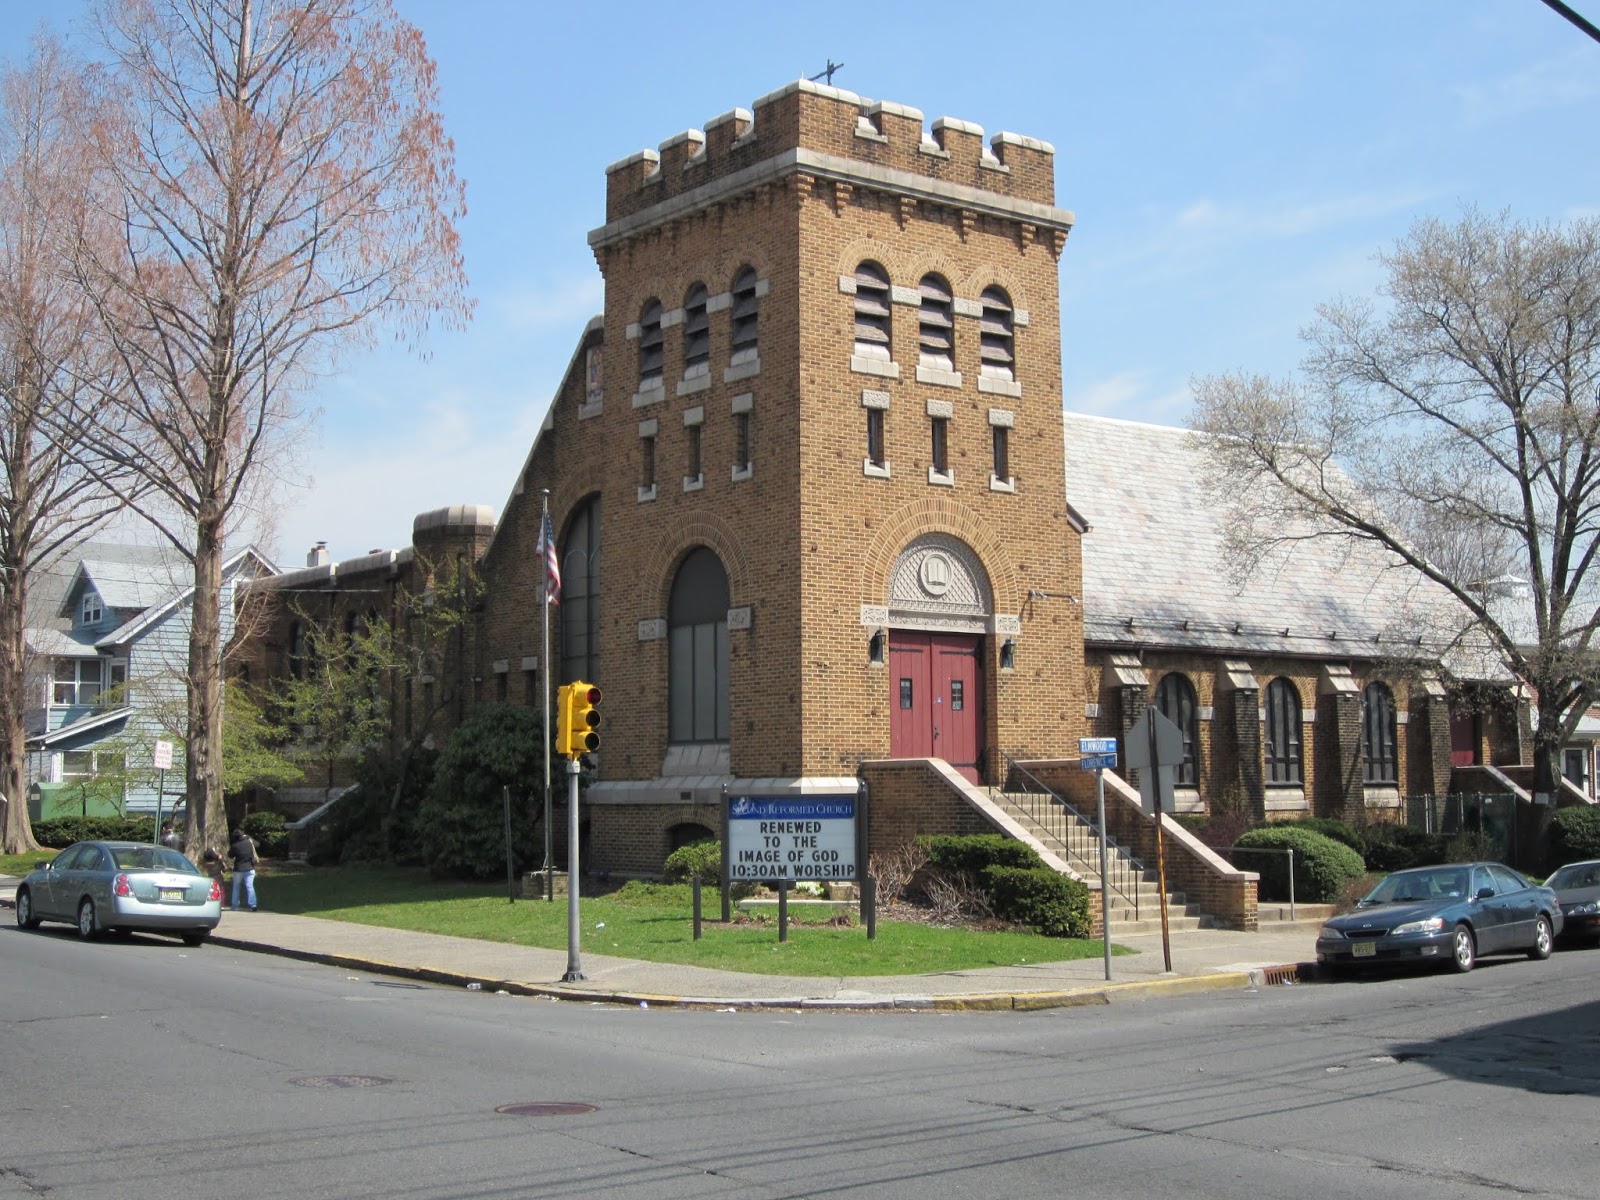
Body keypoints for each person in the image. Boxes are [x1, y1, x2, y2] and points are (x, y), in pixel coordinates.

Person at [229, 827, 259, 912]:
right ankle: (253, 904)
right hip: (250, 868)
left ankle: (235, 905)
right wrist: (248, 837)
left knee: (236, 887)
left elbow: (230, 855)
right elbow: (257, 844)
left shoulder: (235, 846)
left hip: (238, 869)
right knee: (250, 886)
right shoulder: (249, 842)